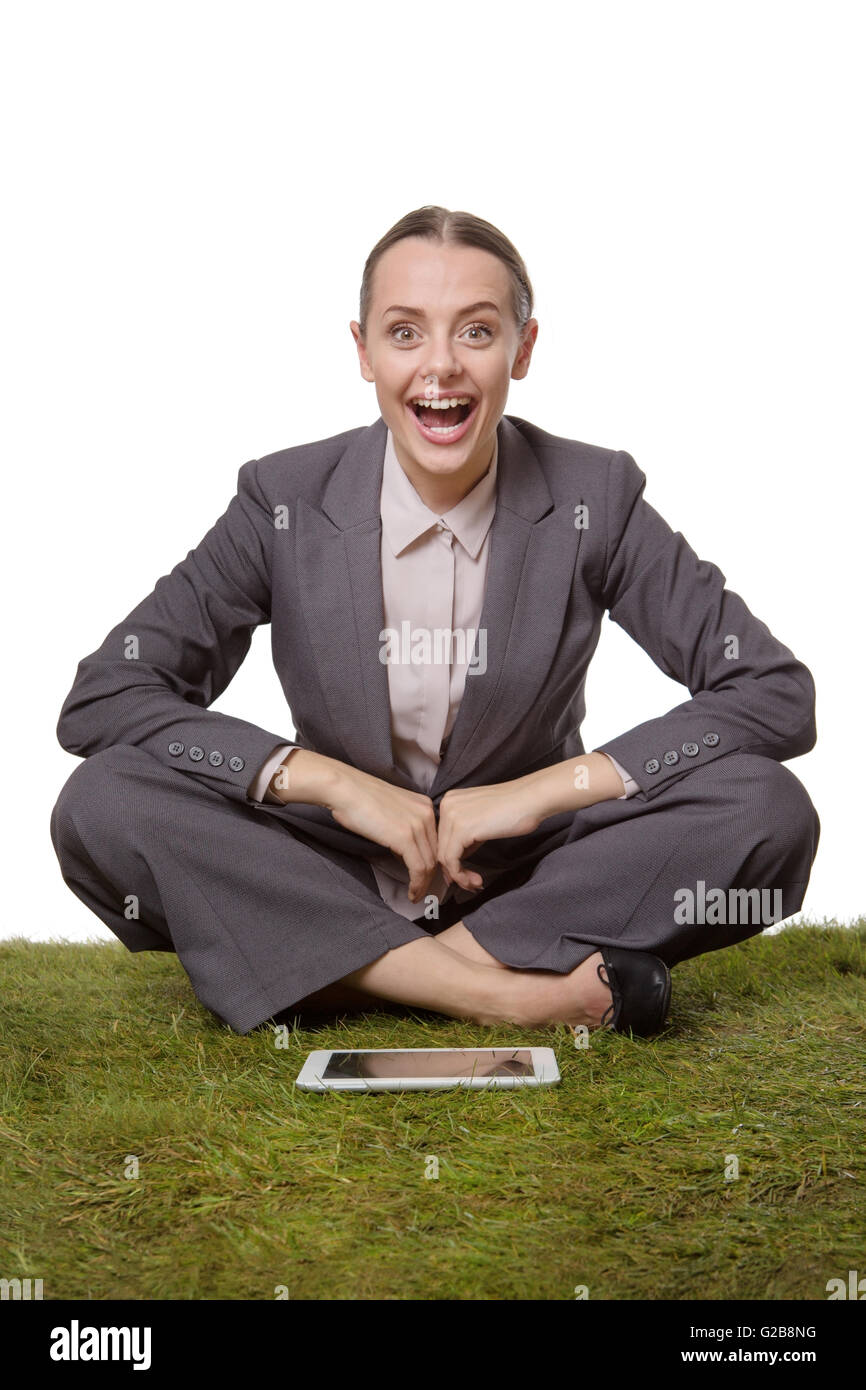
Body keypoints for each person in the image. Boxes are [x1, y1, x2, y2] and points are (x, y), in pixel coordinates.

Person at [49, 205, 820, 1041]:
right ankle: (505, 995)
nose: (440, 368)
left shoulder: (596, 498)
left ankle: (343, 972)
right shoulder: (283, 500)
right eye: (406, 333)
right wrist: (330, 784)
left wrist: (535, 796)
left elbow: (773, 695)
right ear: (363, 350)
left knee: (769, 811)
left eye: (477, 332)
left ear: (523, 350)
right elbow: (106, 698)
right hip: (327, 866)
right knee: (101, 801)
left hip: (531, 877)